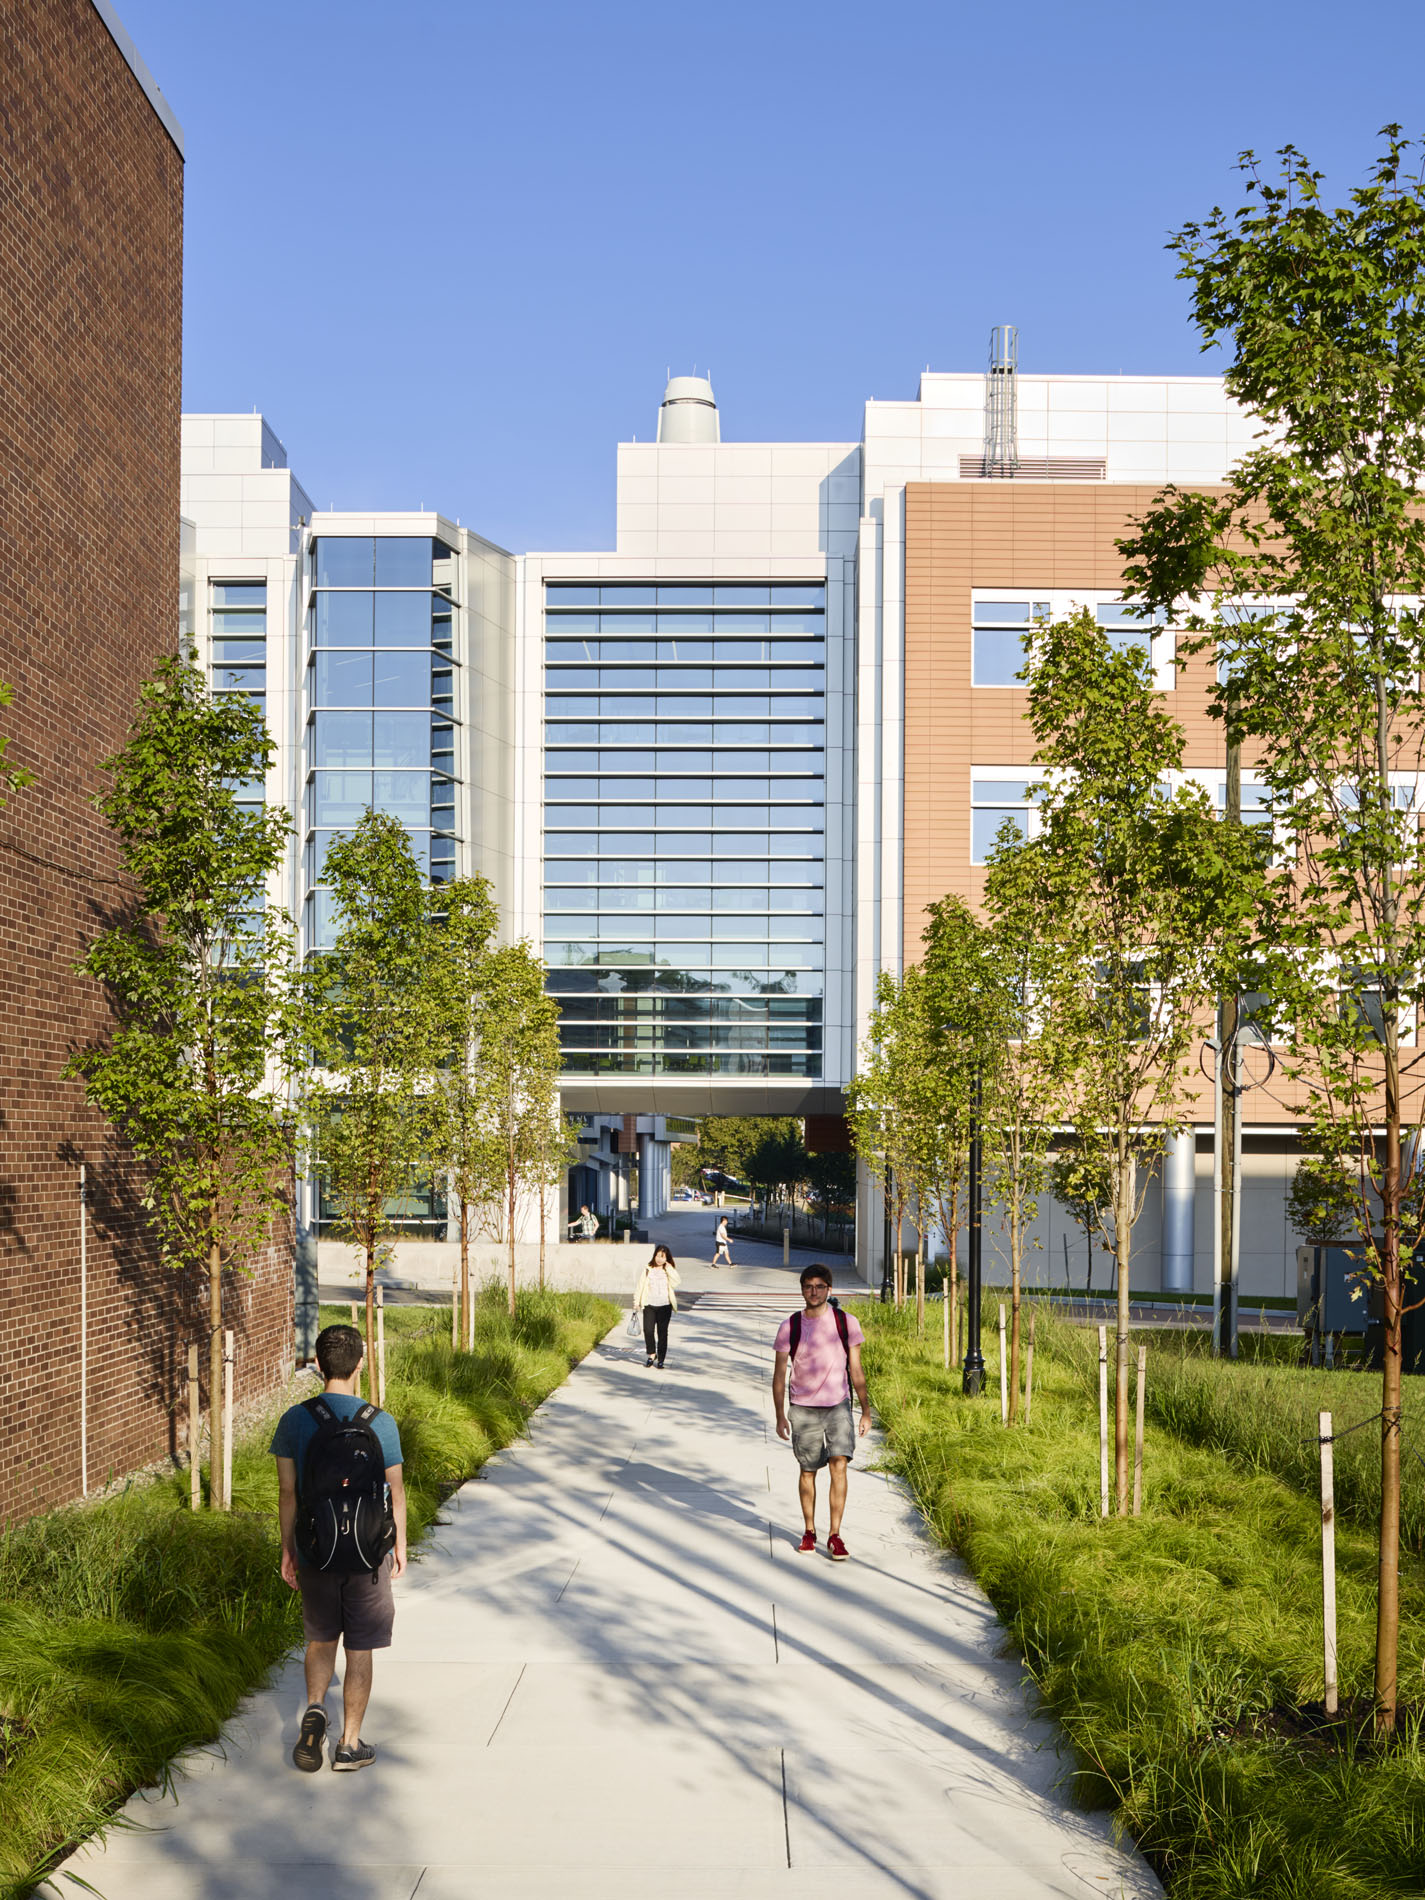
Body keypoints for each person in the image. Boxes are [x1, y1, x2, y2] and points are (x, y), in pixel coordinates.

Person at [271, 1323, 407, 1773]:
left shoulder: (295, 1420)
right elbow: (396, 1492)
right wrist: (398, 1545)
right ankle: (349, 1744)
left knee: (320, 1636)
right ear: (360, 1364)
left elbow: (287, 1492)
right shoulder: (379, 1423)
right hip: (368, 1555)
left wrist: (288, 1549)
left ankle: (314, 1707)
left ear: (317, 1363)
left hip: (316, 1549)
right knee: (360, 1648)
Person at [772, 1264, 871, 1560]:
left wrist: (865, 1410)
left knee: (839, 1463)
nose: (813, 1292)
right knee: (808, 1470)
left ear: (829, 1289)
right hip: (803, 1409)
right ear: (802, 1289)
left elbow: (856, 1369)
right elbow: (779, 1375)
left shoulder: (846, 1322)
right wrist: (780, 1415)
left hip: (838, 1405)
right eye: (808, 1286)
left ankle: (835, 1535)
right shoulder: (791, 1326)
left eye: (819, 1286)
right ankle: (809, 1530)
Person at [633, 1244, 681, 1367]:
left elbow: (676, 1282)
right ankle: (651, 1354)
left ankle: (661, 1359)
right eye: (657, 1256)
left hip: (665, 1305)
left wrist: (669, 1268)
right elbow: (640, 1286)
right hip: (649, 1304)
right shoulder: (648, 1269)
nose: (659, 1259)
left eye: (663, 1257)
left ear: (667, 1258)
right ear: (654, 1256)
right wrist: (636, 1302)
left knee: (662, 1332)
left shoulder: (668, 1270)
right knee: (648, 1330)